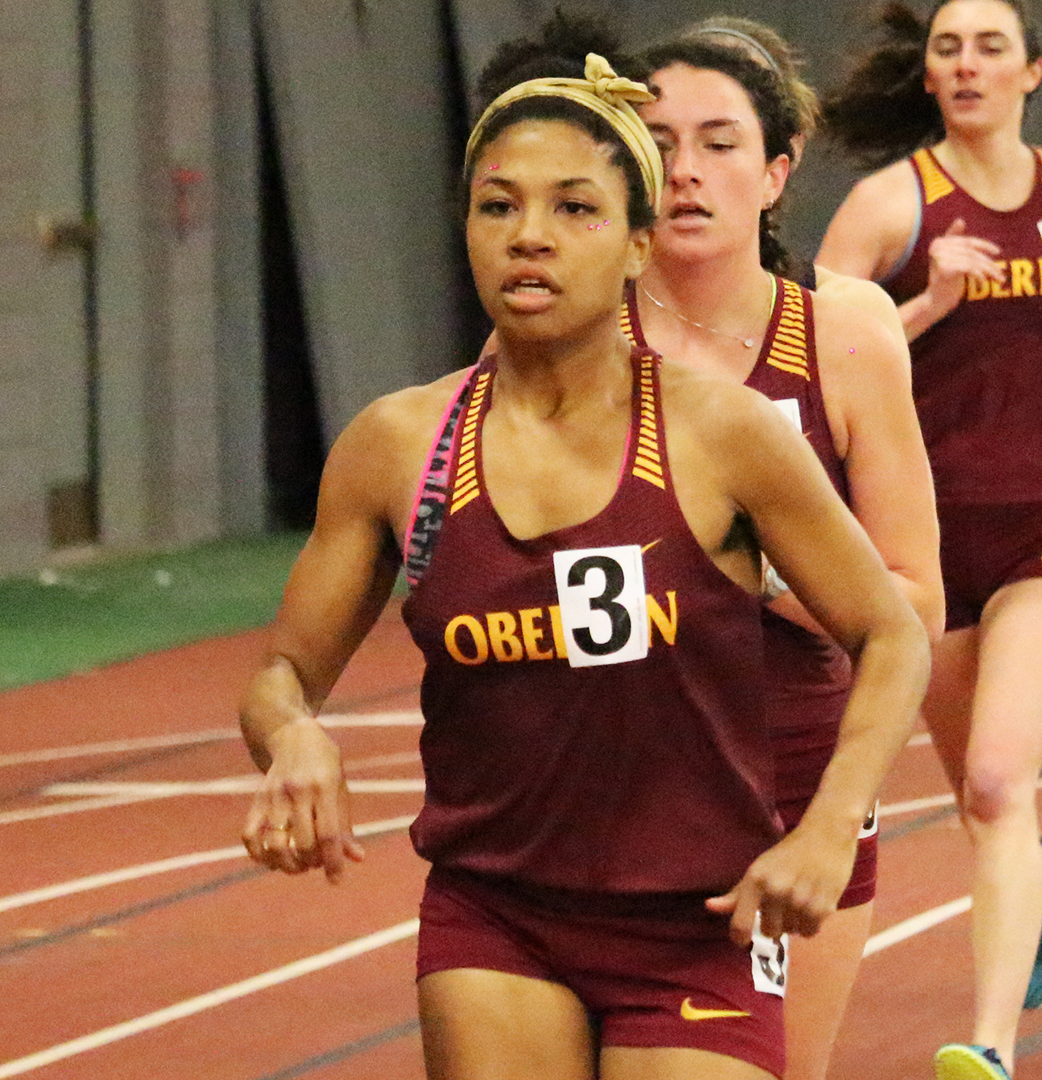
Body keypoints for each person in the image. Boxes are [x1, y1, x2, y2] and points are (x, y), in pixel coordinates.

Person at [237, 35, 932, 1080]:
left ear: (638, 244)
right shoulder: (398, 445)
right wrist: (294, 737)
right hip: (497, 913)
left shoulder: (726, 434)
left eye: (574, 209)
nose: (531, 238)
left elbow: (892, 630)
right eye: (498, 206)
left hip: (701, 919)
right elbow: (283, 672)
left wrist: (831, 824)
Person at [817, 3, 1042, 1077]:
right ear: (928, 79)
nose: (967, 64)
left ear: (1032, 72)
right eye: (947, 49)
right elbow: (814, 349)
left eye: (988, 48)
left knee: (993, 780)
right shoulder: (893, 203)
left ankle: (987, 1047)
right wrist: (926, 302)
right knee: (992, 809)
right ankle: (1023, 878)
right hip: (924, 543)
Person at [625, 24, 944, 1080]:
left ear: (774, 173)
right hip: (602, 786)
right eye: (658, 138)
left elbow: (914, 602)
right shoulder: (569, 330)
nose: (684, 169)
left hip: (791, 786)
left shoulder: (844, 333)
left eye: (718, 142)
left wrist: (749, 566)